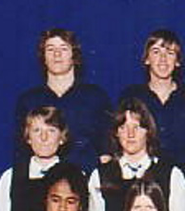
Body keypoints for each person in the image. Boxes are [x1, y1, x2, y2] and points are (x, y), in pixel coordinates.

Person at [85, 98, 185, 211]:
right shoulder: (100, 175)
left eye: (137, 127)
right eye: (123, 127)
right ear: (116, 133)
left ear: (148, 131)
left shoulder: (171, 175)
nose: (130, 134)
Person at [13, 28, 112, 171]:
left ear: (74, 55)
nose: (57, 54)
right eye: (50, 49)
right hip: (42, 183)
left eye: (63, 49)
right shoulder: (28, 100)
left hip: (86, 181)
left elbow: (107, 150)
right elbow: (21, 152)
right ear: (43, 57)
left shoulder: (95, 97)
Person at [119, 30, 185, 173]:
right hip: (143, 176)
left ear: (178, 61)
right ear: (146, 59)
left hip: (184, 175)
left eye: (170, 53)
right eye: (156, 52)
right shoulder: (131, 96)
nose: (163, 59)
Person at [0, 106, 70, 211]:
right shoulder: (10, 177)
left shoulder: (74, 176)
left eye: (51, 130)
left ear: (62, 138)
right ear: (28, 138)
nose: (43, 137)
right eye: (37, 131)